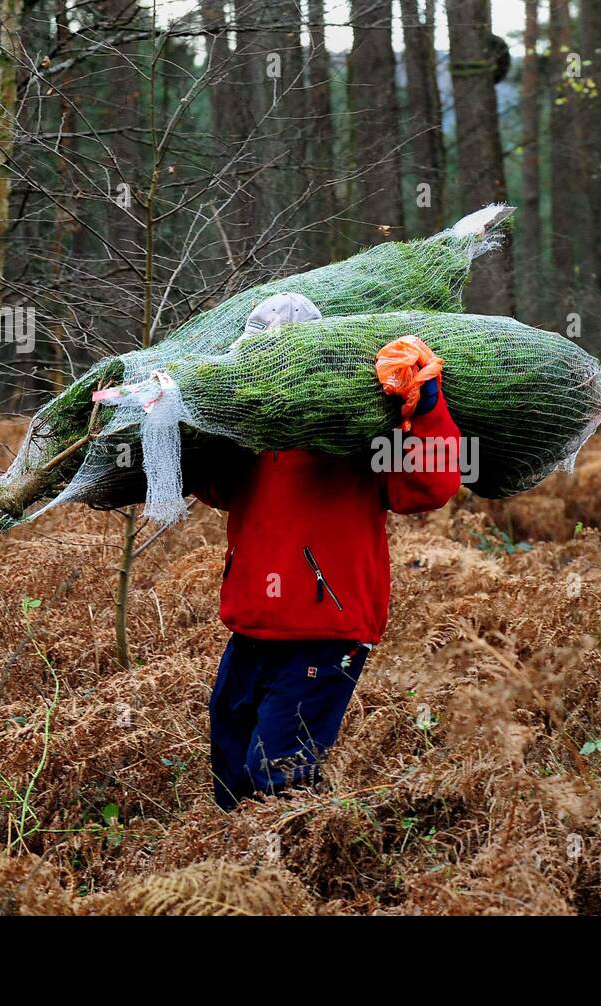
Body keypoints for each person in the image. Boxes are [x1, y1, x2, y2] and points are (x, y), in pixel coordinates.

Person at [191, 293, 462, 810]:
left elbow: (430, 486)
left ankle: (286, 879)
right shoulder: (250, 423)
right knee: (229, 771)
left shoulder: (358, 423)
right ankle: (235, 875)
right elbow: (220, 491)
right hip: (252, 625)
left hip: (327, 630)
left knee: (276, 777)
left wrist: (425, 404)